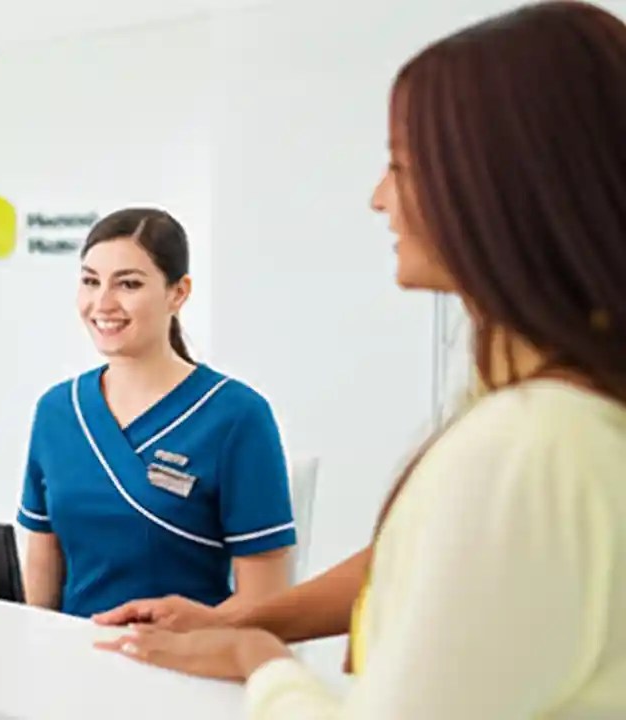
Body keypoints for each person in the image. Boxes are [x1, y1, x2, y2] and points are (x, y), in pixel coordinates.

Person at [94, 2, 626, 716]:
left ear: (497, 183)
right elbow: (432, 566)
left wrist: (259, 662)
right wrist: (237, 623)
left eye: (401, 166)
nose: (380, 199)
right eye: (92, 281)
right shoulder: (557, 413)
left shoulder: (528, 448)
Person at [16, 207, 297, 619]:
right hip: (71, 661)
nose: (103, 303)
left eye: (128, 284)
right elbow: (43, 563)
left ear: (178, 293)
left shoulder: (236, 417)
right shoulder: (58, 411)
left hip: (186, 665)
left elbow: (265, 600)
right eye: (91, 281)